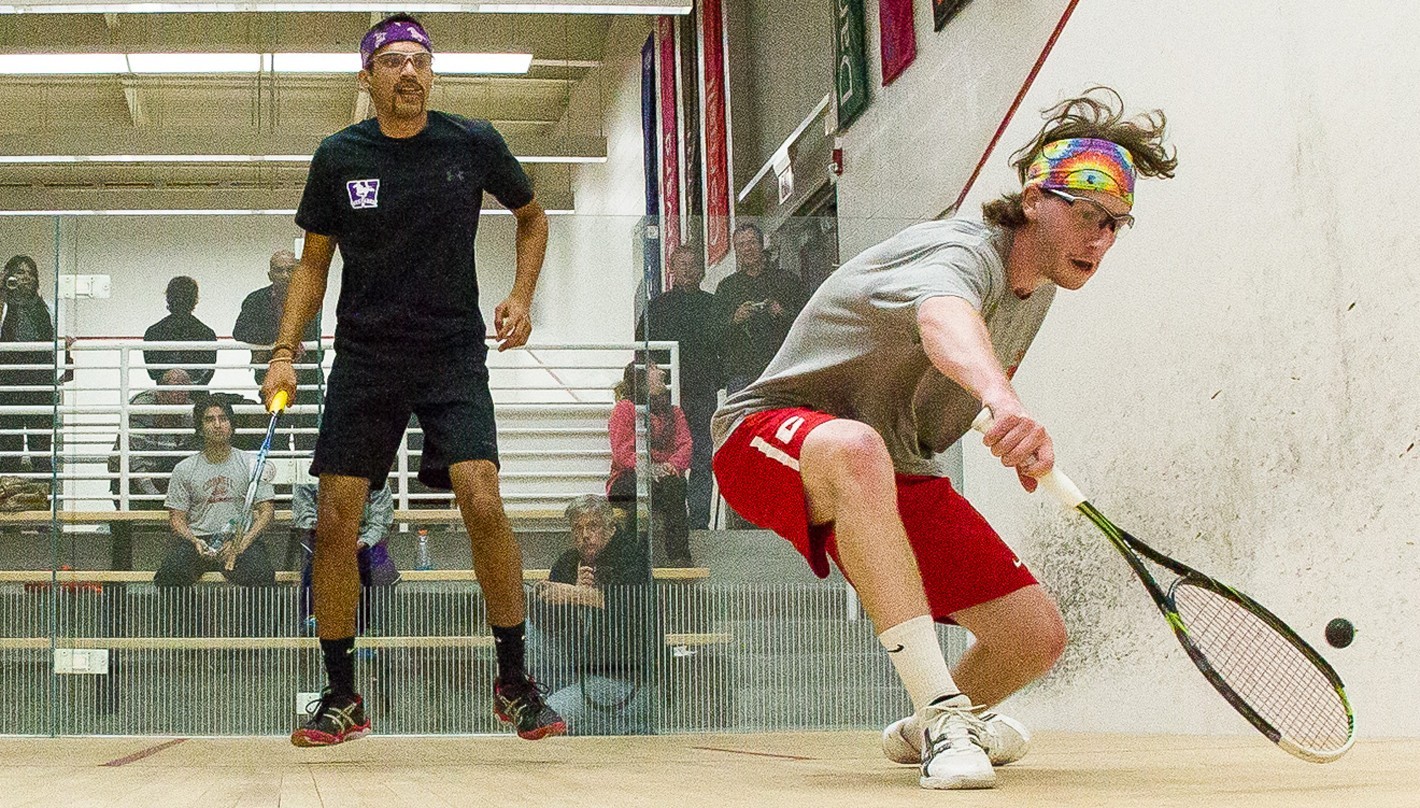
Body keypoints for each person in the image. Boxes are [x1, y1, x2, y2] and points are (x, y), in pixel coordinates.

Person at [710, 88, 1177, 790]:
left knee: (1035, 638)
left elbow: (962, 379)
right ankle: (943, 712)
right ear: (1032, 200)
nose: (1100, 239)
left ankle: (922, 731)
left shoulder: (1038, 290)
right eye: (1087, 215)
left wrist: (1010, 431)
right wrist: (1002, 396)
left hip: (890, 464)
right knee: (856, 447)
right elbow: (942, 321)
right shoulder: (959, 250)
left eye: (1116, 225)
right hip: (766, 438)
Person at [264, 13, 561, 747]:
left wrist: (522, 296)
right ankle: (340, 696)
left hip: (451, 350)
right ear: (367, 78)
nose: (408, 73)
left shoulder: (472, 142)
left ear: (431, 73)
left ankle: (516, 684)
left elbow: (532, 217)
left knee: (483, 502)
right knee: (333, 521)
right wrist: (285, 352)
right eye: (392, 62)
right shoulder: (340, 155)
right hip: (366, 356)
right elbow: (312, 263)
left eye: (419, 62)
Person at [532, 495, 652, 735]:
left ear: (610, 528)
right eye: (578, 528)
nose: (585, 535)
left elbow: (635, 609)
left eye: (592, 526)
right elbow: (546, 626)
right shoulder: (567, 562)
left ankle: (565, 712)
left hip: (623, 681)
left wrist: (581, 596)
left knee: (551, 714)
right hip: (577, 672)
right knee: (525, 630)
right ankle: (559, 706)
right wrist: (553, 599)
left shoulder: (632, 557)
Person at [635, 246, 722, 530]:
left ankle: (698, 521)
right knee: (666, 455)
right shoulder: (657, 306)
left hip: (701, 393)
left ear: (701, 269)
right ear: (671, 268)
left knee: (700, 453)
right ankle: (671, 520)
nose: (687, 269)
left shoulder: (712, 305)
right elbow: (641, 351)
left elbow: (723, 347)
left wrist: (716, 378)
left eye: (692, 263)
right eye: (681, 264)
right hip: (666, 397)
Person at [156, 396, 276, 588]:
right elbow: (176, 518)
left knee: (261, 574)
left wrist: (241, 543)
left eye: (223, 418)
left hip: (239, 539)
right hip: (199, 540)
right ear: (200, 427)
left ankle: (252, 620)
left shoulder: (252, 464)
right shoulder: (184, 468)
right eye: (210, 419)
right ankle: (190, 619)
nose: (217, 425)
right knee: (170, 575)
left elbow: (267, 511)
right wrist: (194, 540)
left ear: (232, 425)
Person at [108, 368, 195, 568]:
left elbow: (191, 457)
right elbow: (132, 458)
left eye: (185, 390)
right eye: (175, 390)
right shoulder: (142, 408)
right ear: (161, 392)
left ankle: (178, 584)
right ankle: (116, 592)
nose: (181, 396)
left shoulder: (190, 411)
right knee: (123, 526)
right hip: (127, 477)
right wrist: (154, 496)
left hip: (167, 475)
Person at [608, 360, 693, 565]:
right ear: (641, 379)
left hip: (662, 481)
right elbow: (623, 453)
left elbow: (686, 444)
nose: (662, 373)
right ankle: (633, 561)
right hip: (627, 479)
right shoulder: (625, 409)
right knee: (636, 488)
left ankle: (679, 557)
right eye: (654, 369)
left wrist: (672, 466)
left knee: (676, 484)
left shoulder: (674, 412)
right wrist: (650, 469)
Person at [293, 481, 400, 634]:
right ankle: (314, 622)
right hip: (323, 538)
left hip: (363, 540)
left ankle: (370, 629)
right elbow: (303, 515)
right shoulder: (308, 470)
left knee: (382, 571)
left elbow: (381, 522)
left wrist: (361, 542)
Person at [0, 254, 73, 475]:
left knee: (41, 449)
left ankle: (44, 502)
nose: (26, 278)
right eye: (20, 272)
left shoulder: (48, 308)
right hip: (7, 386)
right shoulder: (2, 306)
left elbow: (57, 342)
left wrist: (66, 349)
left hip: (40, 384)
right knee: (8, 449)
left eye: (31, 273)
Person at [712, 223, 807, 394]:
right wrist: (735, 318)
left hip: (782, 367)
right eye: (741, 244)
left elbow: (807, 322)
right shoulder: (727, 287)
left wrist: (780, 312)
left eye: (752, 242)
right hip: (742, 372)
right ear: (736, 250)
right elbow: (714, 333)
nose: (747, 249)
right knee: (745, 421)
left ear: (762, 245)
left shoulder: (786, 280)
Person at [142, 276, 217, 386]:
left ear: (168, 298)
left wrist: (174, 388)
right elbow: (207, 374)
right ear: (195, 299)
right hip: (197, 397)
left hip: (165, 397)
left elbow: (153, 373)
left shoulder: (153, 332)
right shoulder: (207, 333)